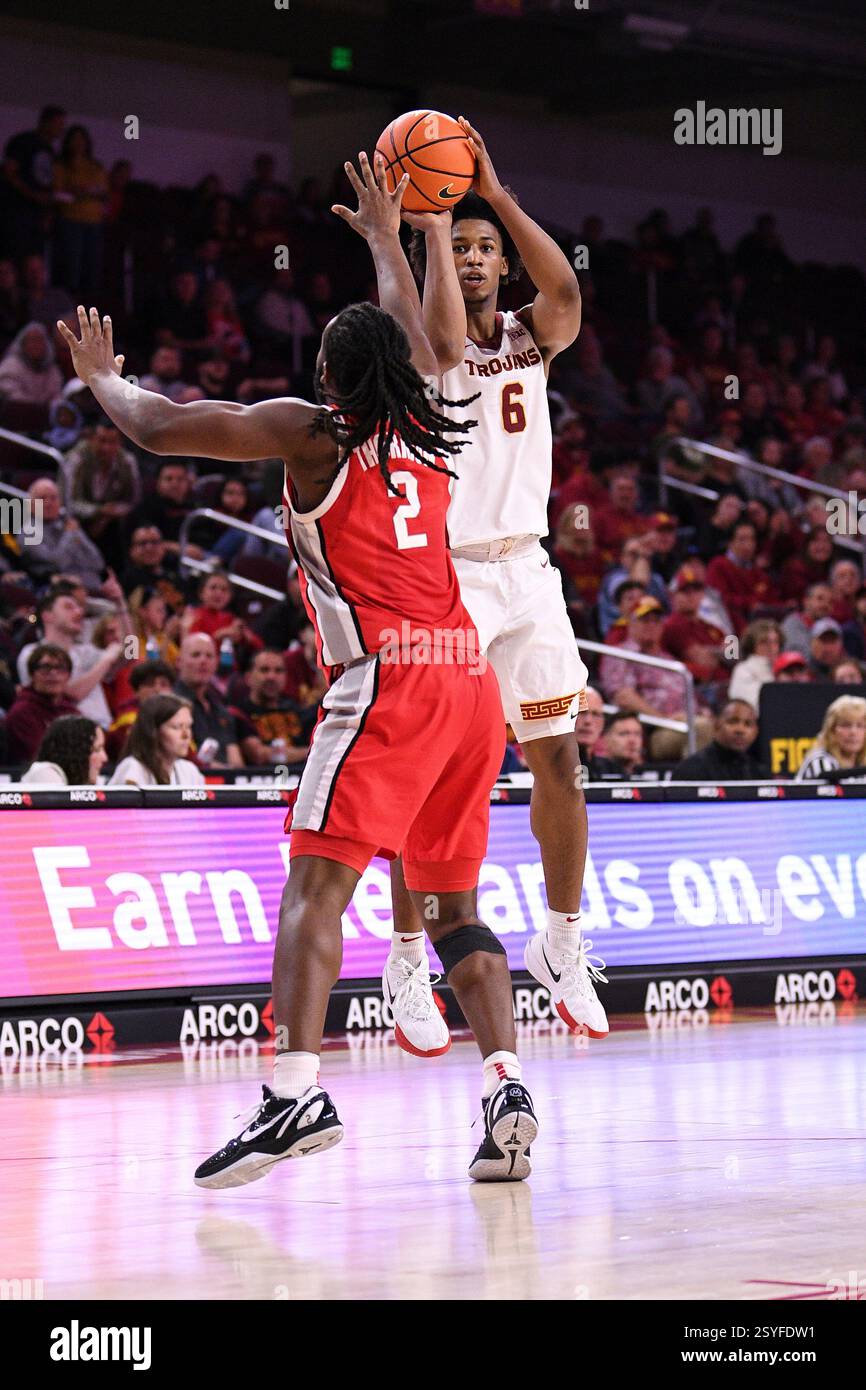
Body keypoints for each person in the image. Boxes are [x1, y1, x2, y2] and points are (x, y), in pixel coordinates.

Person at [59, 150, 537, 1186]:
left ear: (327, 378)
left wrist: (102, 378)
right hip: (466, 683)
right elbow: (421, 337)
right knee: (455, 907)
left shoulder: (307, 435)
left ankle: (292, 1092)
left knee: (314, 887)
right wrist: (382, 240)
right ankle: (504, 1079)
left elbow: (159, 427)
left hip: (389, 681)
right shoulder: (434, 426)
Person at [395, 116, 606, 1041]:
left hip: (527, 569)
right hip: (446, 578)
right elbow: (438, 337)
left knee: (558, 760)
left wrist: (492, 188)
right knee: (433, 774)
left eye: (486, 248)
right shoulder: (416, 335)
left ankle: (561, 940)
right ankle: (407, 961)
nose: (477, 260)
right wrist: (433, 219)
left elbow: (563, 288)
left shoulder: (532, 332)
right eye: (463, 247)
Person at [17, 588, 122, 728]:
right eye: (69, 607)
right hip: (68, 733)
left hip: (104, 729)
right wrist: (106, 660)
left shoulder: (86, 651)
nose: (79, 612)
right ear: (47, 616)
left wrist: (121, 605)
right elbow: (71, 694)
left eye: (79, 608)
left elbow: (130, 654)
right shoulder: (33, 652)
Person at [230, 647, 313, 767]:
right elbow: (260, 755)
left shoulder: (294, 709)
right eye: (264, 670)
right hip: (261, 782)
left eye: (278, 671)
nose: (271, 677)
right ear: (248, 678)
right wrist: (312, 753)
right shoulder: (239, 713)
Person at [1, 106, 65, 259]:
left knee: (34, 258)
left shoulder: (49, 150)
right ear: (46, 123)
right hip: (17, 211)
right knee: (15, 254)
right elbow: (8, 173)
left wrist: (47, 210)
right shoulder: (23, 142)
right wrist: (33, 195)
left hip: (37, 214)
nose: (61, 129)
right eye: (58, 124)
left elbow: (46, 183)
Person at [53, 124, 108, 300]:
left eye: (81, 139)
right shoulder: (61, 165)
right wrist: (80, 192)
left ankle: (89, 304)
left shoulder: (96, 166)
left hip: (93, 221)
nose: (78, 143)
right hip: (70, 219)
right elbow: (59, 192)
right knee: (71, 266)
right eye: (74, 139)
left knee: (91, 266)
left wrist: (82, 191)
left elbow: (102, 192)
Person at [172, 632, 243, 768]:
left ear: (216, 663)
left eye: (209, 656)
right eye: (196, 655)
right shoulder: (169, 706)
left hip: (223, 785)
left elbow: (236, 761)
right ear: (179, 662)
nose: (203, 661)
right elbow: (178, 757)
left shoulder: (221, 709)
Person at [5, 644, 79, 764]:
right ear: (32, 674)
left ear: (69, 675)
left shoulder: (72, 712)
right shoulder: (21, 712)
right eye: (45, 667)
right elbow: (39, 757)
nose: (53, 673)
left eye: (60, 667)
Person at [110, 694, 205, 787]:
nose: (186, 735)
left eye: (188, 726)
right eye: (176, 727)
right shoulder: (133, 769)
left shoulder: (190, 772)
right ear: (153, 731)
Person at [671, 700, 770, 781]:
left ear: (756, 731)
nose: (740, 730)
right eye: (733, 721)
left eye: (748, 724)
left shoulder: (760, 774)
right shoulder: (690, 770)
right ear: (717, 725)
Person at [794, 695, 866, 781]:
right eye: (846, 725)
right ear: (831, 730)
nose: (853, 732)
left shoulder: (862, 763)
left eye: (860, 726)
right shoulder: (819, 762)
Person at [20, 714, 106, 785]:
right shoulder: (44, 772)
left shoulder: (82, 779)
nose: (105, 758)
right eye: (97, 749)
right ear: (75, 752)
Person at [0, 321, 63, 404]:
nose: (35, 345)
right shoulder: (10, 366)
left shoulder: (52, 369)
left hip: (45, 414)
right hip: (17, 412)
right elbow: (11, 395)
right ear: (22, 344)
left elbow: (57, 397)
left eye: (39, 340)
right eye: (32, 340)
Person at [728, 619, 782, 709]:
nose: (771, 647)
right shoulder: (743, 669)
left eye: (775, 642)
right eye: (764, 642)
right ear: (752, 645)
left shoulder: (786, 668)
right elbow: (748, 703)